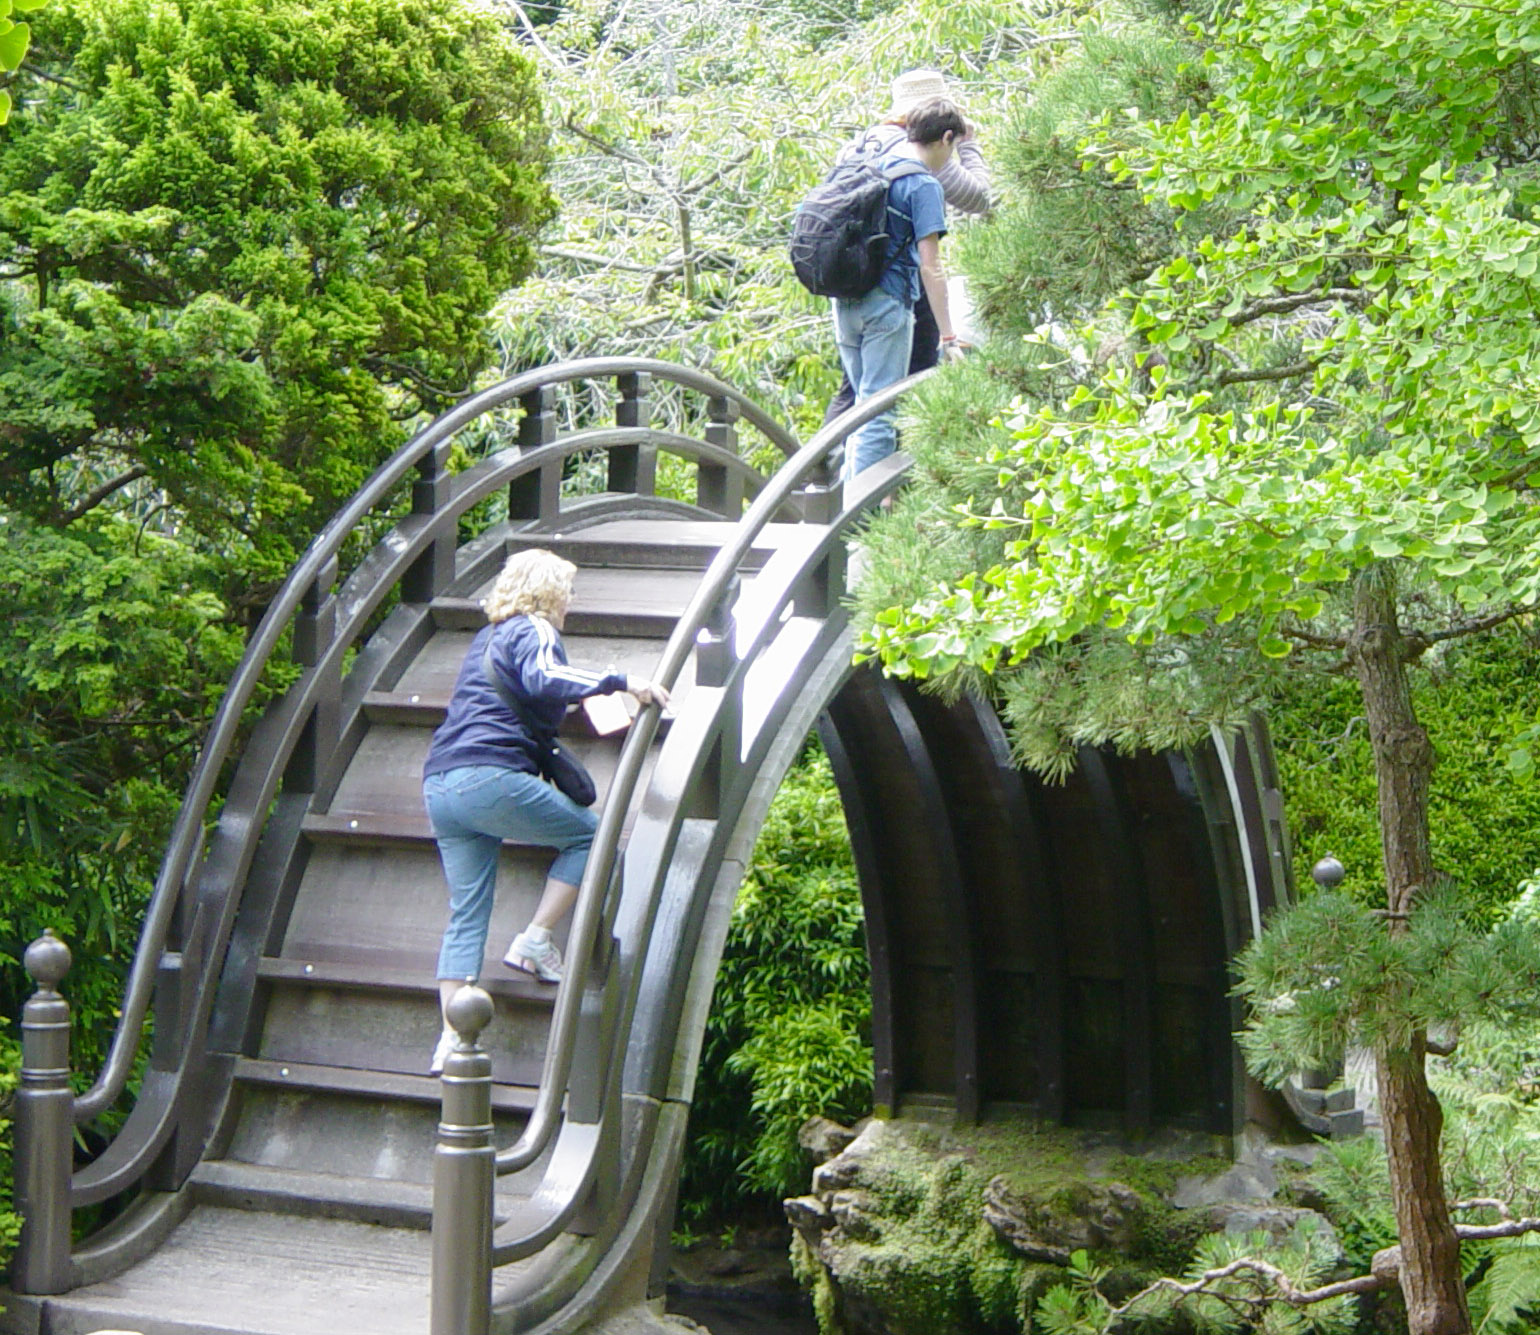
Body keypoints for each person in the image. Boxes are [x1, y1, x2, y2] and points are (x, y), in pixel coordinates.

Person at [420, 548, 670, 1073]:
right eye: (569, 592)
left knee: (466, 914)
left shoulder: (486, 637)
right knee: (590, 838)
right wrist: (622, 681)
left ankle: (450, 1041)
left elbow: (527, 692)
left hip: (442, 785)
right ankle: (536, 940)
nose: (571, 603)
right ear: (550, 592)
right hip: (489, 778)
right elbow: (543, 675)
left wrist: (582, 702)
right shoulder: (533, 627)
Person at [823, 69, 992, 431]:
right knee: (905, 390)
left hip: (849, 284)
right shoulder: (923, 154)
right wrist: (969, 145)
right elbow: (981, 198)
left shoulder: (859, 145)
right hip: (898, 289)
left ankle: (816, 477)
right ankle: (889, 484)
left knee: (855, 390)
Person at [833, 95, 969, 482]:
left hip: (844, 301)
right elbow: (932, 268)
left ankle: (837, 503)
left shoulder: (868, 165)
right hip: (886, 307)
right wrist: (948, 335)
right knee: (878, 413)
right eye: (954, 146)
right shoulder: (922, 184)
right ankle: (860, 522)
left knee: (858, 410)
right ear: (945, 138)